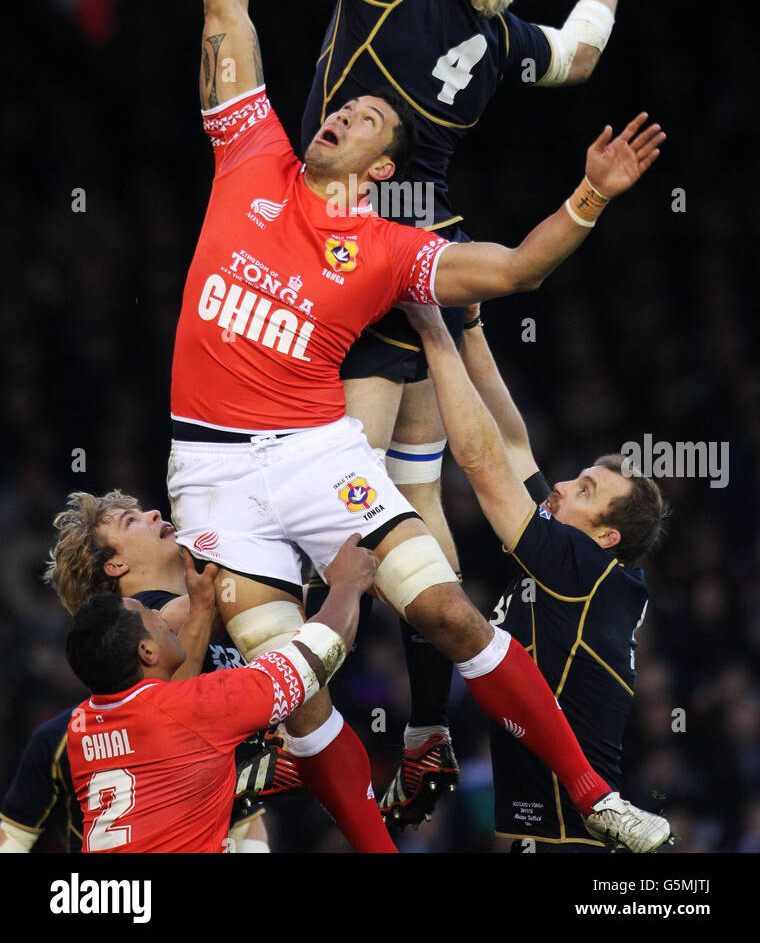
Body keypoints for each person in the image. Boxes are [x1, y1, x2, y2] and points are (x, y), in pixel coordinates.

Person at [165, 0, 679, 820]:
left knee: (308, 492)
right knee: (416, 506)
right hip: (426, 259)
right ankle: (433, 733)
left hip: (349, 257)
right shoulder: (499, 42)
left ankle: (270, 711)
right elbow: (585, 51)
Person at [400, 300, 670, 850]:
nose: (563, 486)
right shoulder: (575, 560)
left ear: (606, 537)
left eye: (585, 490)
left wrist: (434, 331)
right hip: (547, 832)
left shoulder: (583, 567)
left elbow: (482, 461)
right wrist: (471, 326)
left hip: (569, 840)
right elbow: (514, 442)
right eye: (579, 476)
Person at [0, 491, 281, 854]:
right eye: (129, 521)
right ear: (115, 565)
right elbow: (233, 589)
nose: (152, 513)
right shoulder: (167, 621)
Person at [65, 535, 376, 853]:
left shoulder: (82, 725)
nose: (161, 616)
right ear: (146, 651)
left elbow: (162, 714)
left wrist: (201, 609)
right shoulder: (196, 707)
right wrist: (347, 584)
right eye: (150, 615)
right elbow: (312, 658)